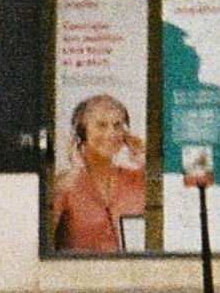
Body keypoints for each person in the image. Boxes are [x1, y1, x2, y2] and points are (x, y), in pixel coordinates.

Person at [47, 91, 148, 253]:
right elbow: (41, 239)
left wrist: (147, 165)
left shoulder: (138, 179)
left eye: (117, 126)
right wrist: (74, 172)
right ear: (81, 133)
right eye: (101, 125)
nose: (111, 134)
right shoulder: (64, 184)